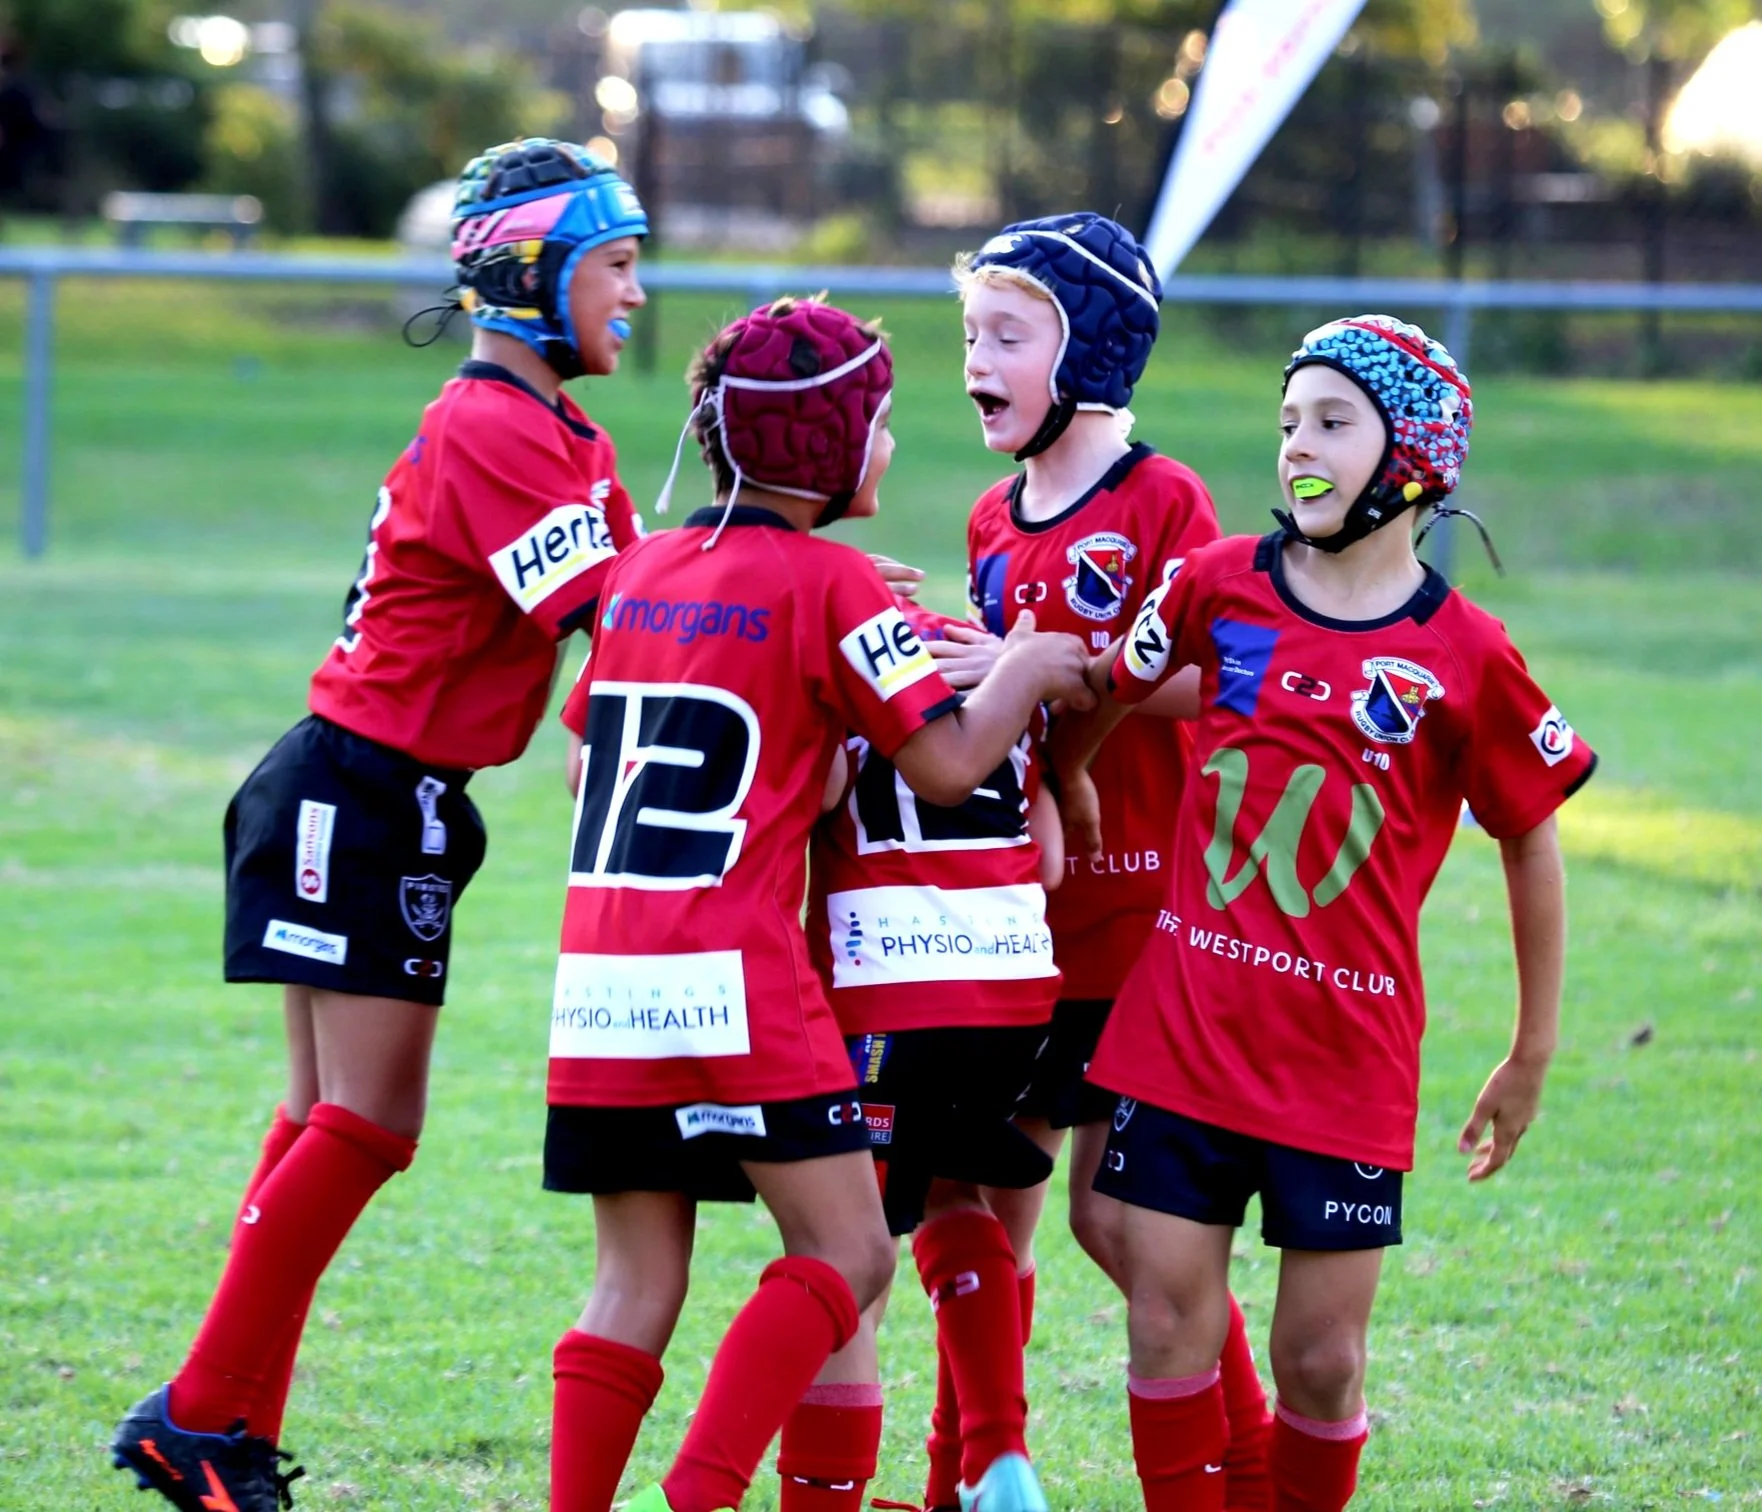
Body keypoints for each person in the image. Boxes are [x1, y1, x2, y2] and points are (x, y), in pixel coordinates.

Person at [110, 137, 651, 1512]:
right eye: (614, 264)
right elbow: (616, 622)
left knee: (325, 1120)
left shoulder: (561, 429)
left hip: (385, 795)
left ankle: (222, 1426)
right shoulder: (494, 427)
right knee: (363, 1122)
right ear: (529, 275)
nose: (636, 295)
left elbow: (627, 605)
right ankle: (197, 1416)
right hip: (354, 794)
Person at [540, 295, 1094, 1512]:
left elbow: (587, 765)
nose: (889, 445)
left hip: (601, 978)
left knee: (632, 1283)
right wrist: (1028, 668)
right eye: (880, 422)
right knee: (845, 1250)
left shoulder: (637, 576)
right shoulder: (834, 583)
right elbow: (948, 764)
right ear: (830, 443)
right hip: (739, 978)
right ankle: (698, 1497)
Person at [1063, 314, 1595, 1511]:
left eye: (1333, 422)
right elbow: (1110, 684)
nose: (1298, 444)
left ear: (1413, 457)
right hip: (1183, 1031)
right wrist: (1069, 778)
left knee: (1319, 1358)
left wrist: (1531, 1048)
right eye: (1288, 420)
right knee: (1161, 1323)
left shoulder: (1466, 654)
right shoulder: (1213, 586)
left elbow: (1529, 837)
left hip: (1340, 1058)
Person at [940, 213, 1273, 1509]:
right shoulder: (985, 513)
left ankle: (1247, 1468)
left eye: (1007, 334)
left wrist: (1068, 674)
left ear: (1096, 349)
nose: (976, 355)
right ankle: (980, 1471)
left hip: (1142, 919)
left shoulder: (1161, 500)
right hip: (1022, 916)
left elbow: (1222, 671)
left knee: (1119, 1219)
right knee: (979, 1188)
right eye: (969, 333)